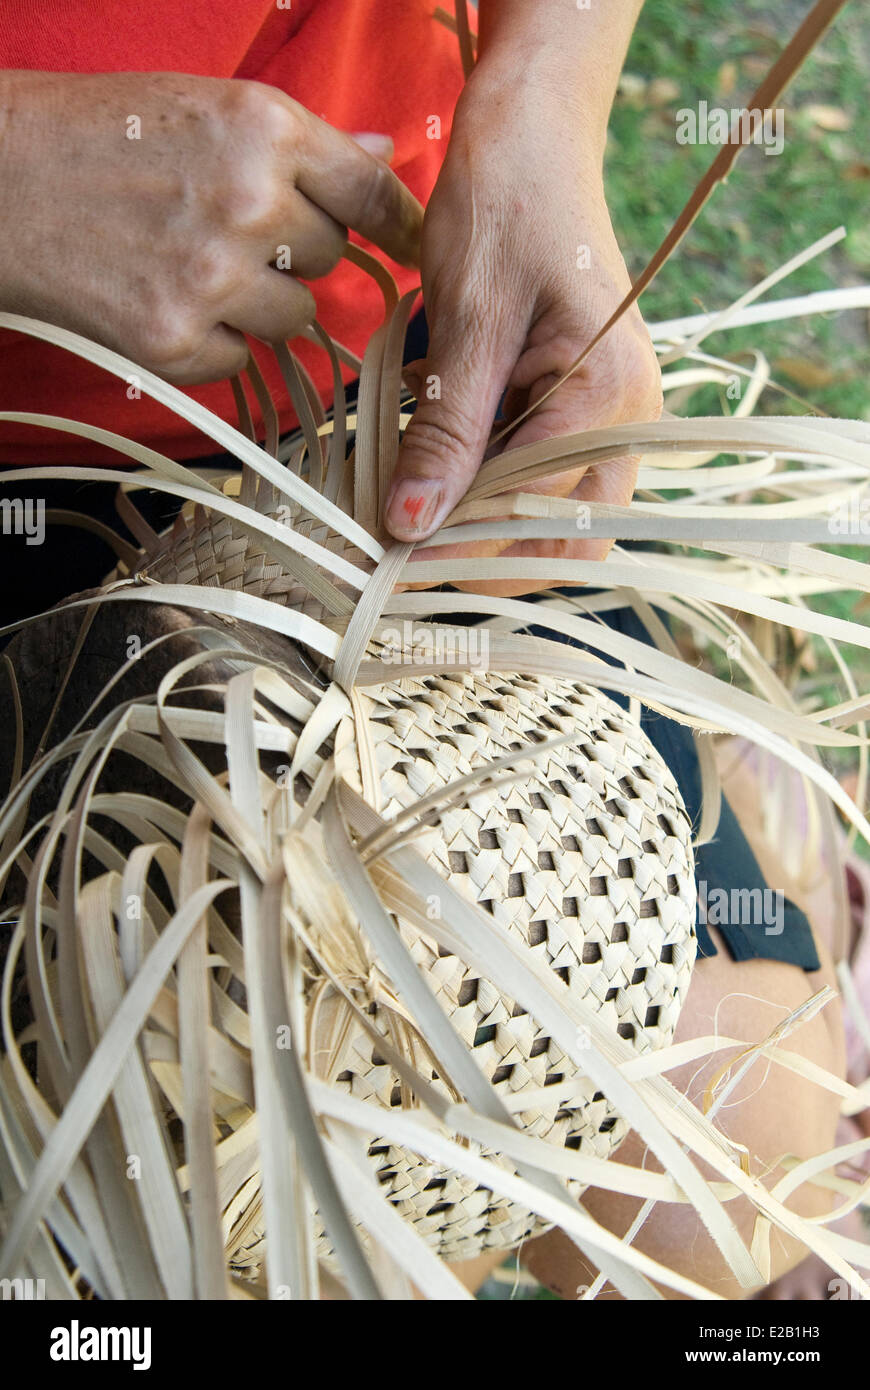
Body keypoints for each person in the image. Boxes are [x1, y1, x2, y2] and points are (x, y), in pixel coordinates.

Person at [0, 0, 861, 1300]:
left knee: (723, 1204)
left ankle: (759, 850)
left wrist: (546, 88)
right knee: (160, 1187)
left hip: (345, 395)